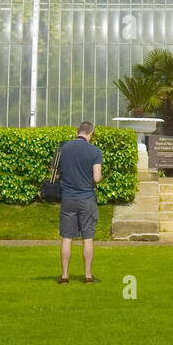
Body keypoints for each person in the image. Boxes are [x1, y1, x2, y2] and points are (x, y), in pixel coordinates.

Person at [57, 121, 104, 284]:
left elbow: (55, 172)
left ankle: (64, 276)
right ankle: (88, 276)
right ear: (90, 133)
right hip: (87, 199)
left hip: (68, 198)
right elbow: (97, 178)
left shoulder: (64, 148)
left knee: (67, 237)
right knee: (87, 237)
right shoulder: (95, 151)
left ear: (77, 132)